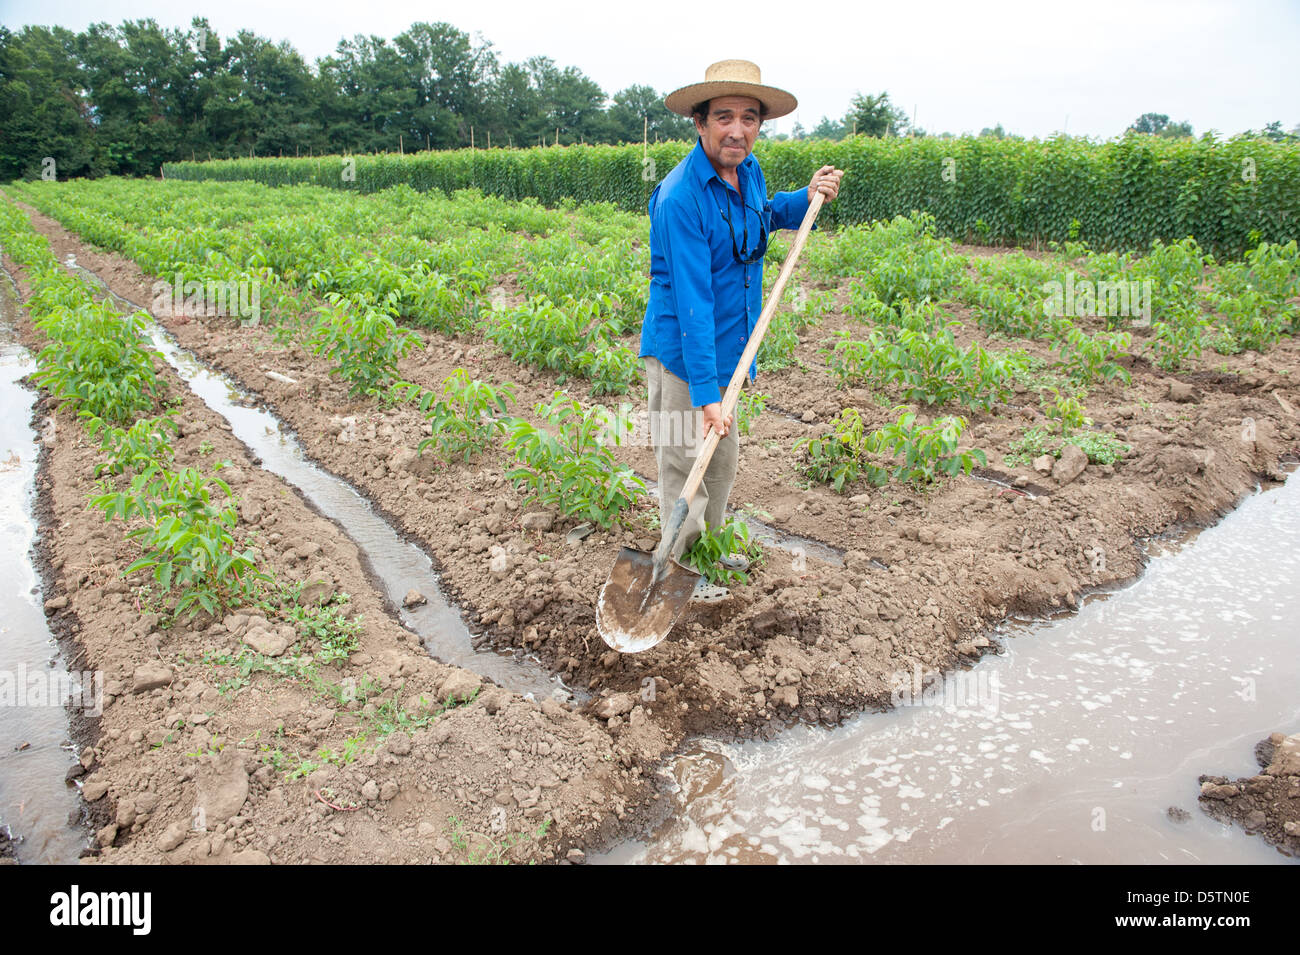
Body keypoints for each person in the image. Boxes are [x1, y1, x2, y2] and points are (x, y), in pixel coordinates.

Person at [639, 59, 843, 601]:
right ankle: (675, 567)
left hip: (732, 347)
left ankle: (708, 546)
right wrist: (706, 394)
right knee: (685, 462)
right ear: (700, 123)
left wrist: (808, 198)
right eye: (724, 117)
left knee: (722, 462)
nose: (738, 130)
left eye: (749, 118)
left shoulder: (747, 172)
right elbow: (692, 304)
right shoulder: (680, 197)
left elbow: (766, 215)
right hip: (685, 352)